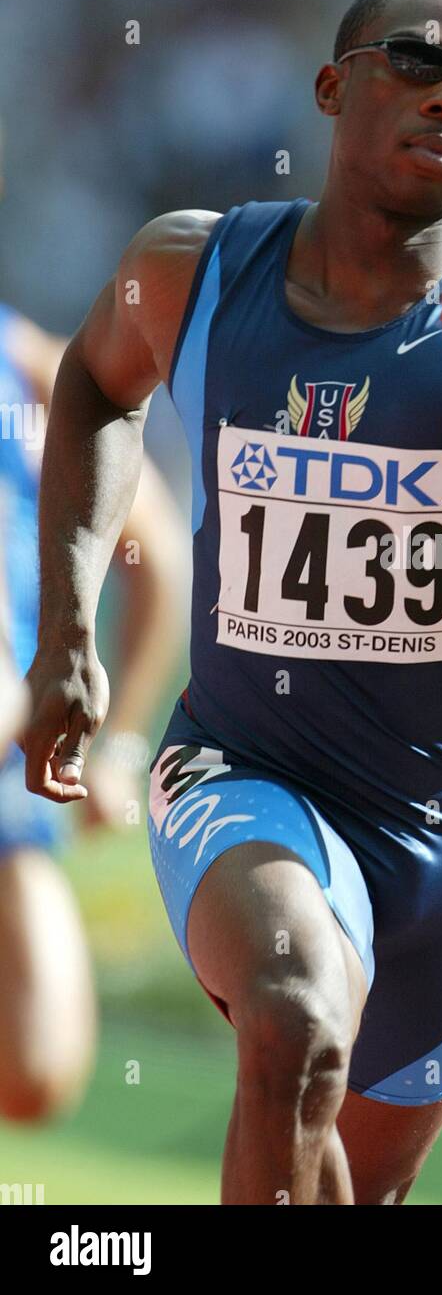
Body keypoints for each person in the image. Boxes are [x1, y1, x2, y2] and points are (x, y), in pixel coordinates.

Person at [24, 0, 442, 1202]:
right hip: (239, 770)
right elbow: (94, 384)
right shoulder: (188, 269)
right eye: (418, 63)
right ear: (332, 88)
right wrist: (70, 619)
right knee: (292, 1017)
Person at [0, 294, 187, 1121]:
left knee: (37, 1072)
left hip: (7, 780)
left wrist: (119, 746)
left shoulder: (30, 371)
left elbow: (159, 558)